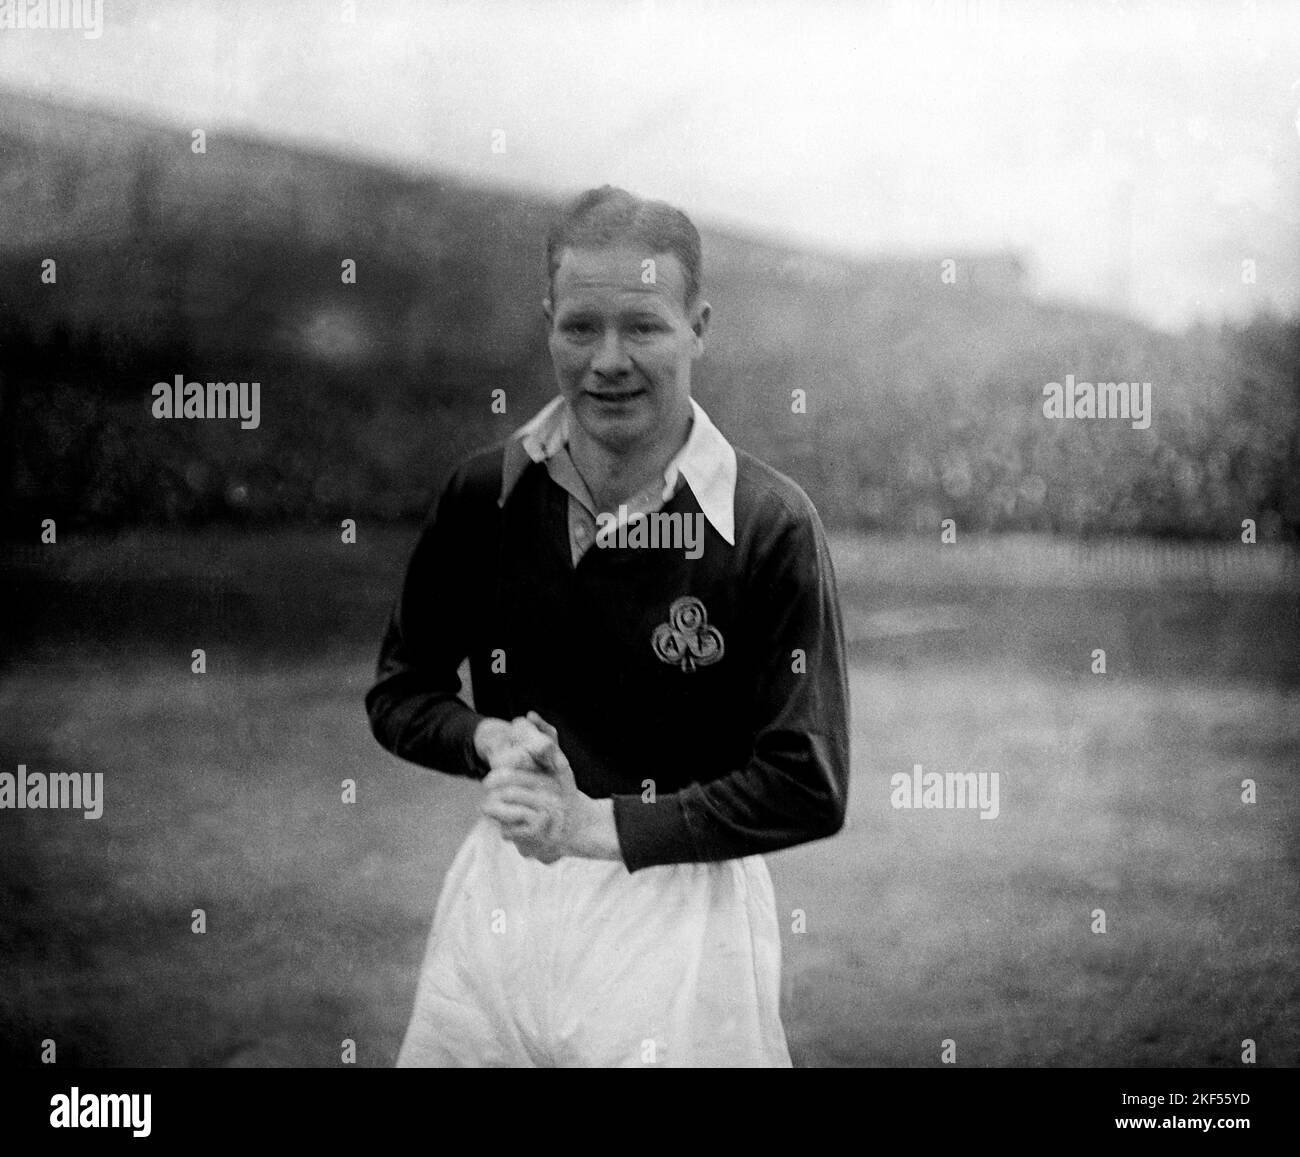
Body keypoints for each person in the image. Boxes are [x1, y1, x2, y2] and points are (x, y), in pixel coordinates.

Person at [365, 185, 850, 1067]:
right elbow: (402, 691)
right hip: (502, 895)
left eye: (644, 327)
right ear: (548, 322)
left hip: (682, 915)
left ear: (699, 326)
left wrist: (594, 827)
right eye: (580, 327)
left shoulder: (769, 521)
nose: (608, 360)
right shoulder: (486, 495)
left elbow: (807, 780)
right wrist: (492, 738)